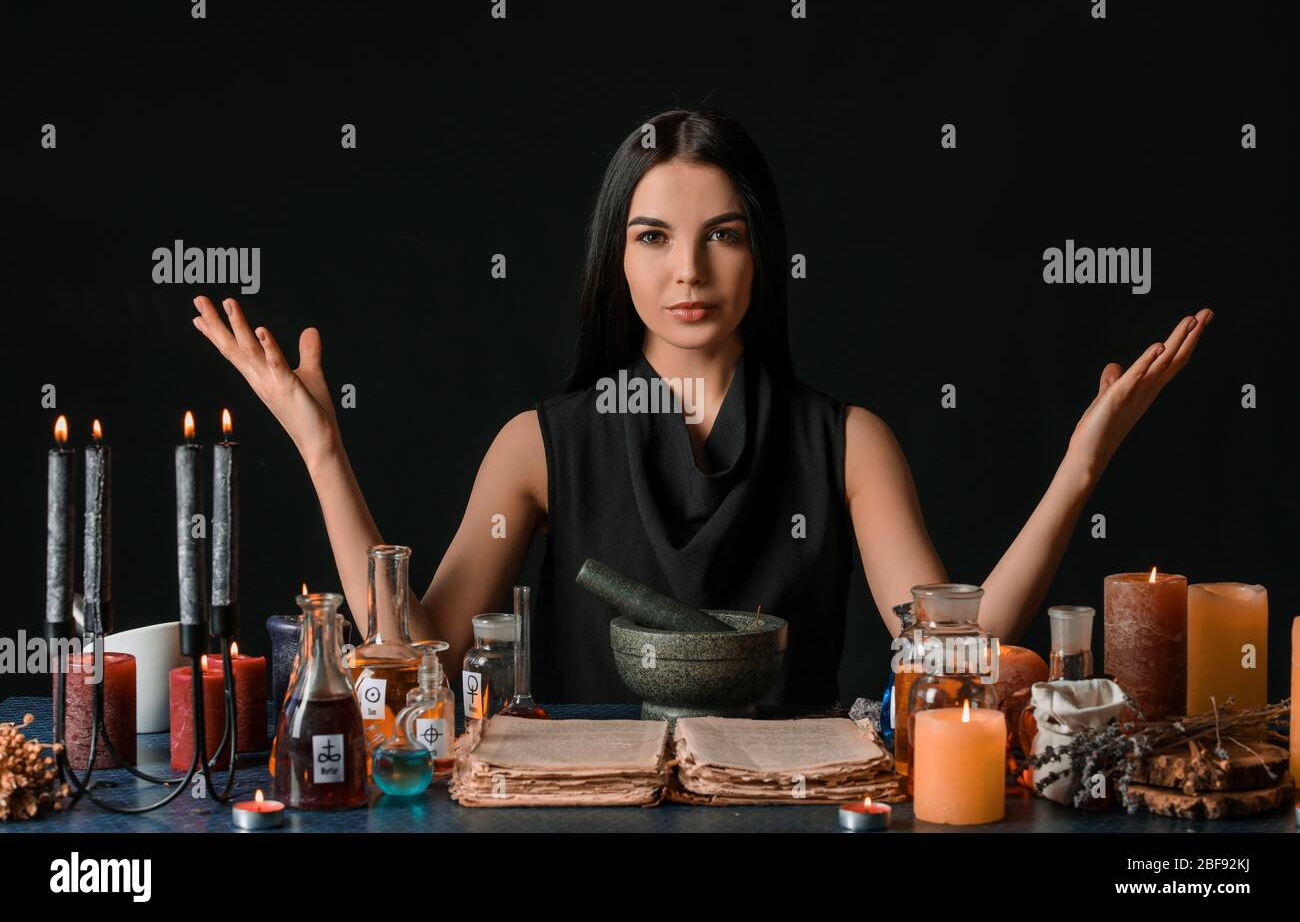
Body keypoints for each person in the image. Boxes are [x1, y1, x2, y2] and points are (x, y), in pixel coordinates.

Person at [191, 109, 1211, 707]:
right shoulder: (537, 446)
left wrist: (1079, 465)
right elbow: (420, 655)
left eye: (720, 233)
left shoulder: (846, 443)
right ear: (614, 256)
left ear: (761, 253)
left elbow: (953, 650)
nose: (687, 269)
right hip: (583, 820)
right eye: (651, 237)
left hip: (793, 815)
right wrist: (322, 447)